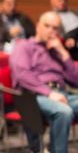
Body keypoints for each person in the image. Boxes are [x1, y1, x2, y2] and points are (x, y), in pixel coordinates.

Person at [10, 12, 78, 153]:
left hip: (61, 93)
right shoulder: (24, 46)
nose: (51, 31)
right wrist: (49, 93)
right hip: (33, 96)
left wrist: (63, 53)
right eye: (47, 26)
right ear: (38, 26)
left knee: (64, 108)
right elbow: (23, 75)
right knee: (64, 112)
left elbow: (75, 80)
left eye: (55, 28)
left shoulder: (56, 51)